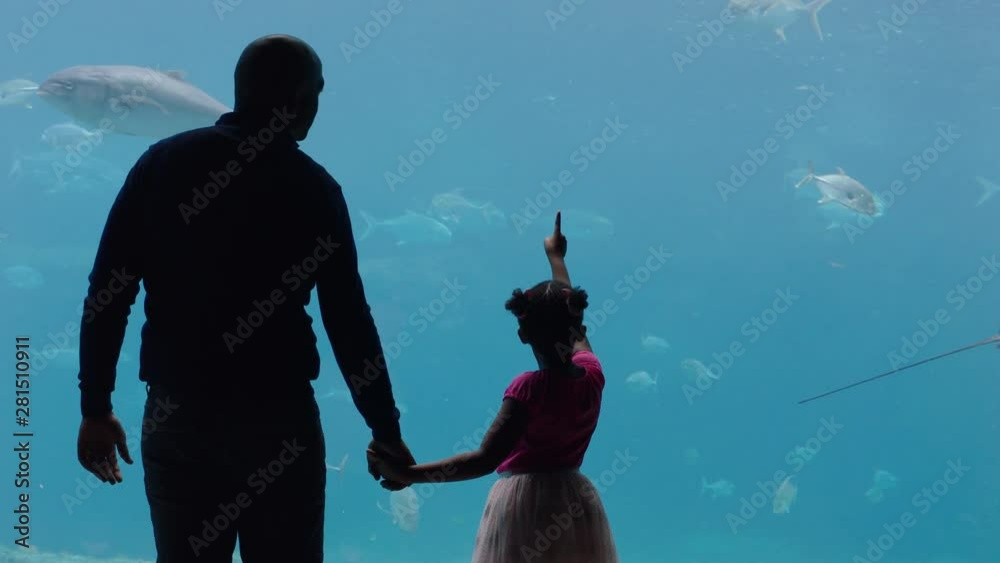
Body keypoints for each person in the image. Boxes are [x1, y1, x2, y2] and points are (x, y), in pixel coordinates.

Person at [75, 34, 415, 563]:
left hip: (178, 415)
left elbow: (109, 292)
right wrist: (386, 430)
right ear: (301, 100)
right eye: (317, 96)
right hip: (278, 418)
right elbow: (348, 321)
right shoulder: (313, 187)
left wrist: (95, 406)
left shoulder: (159, 166)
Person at [368, 211, 619, 563]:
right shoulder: (592, 374)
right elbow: (574, 323)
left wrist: (410, 474)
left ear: (522, 334)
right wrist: (557, 259)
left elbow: (484, 459)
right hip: (576, 503)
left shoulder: (528, 389)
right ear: (577, 326)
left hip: (523, 508)